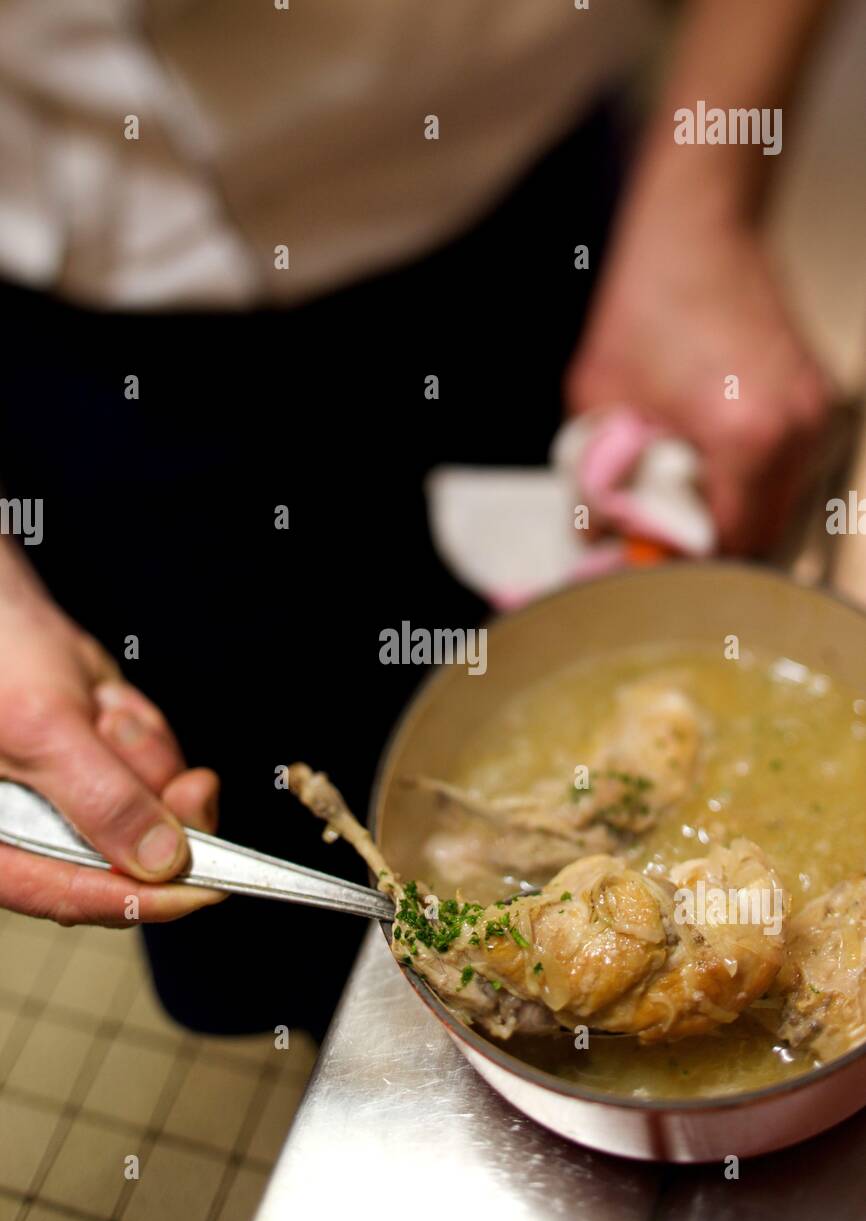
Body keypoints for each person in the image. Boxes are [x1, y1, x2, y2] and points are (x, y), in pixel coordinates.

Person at [0, 0, 834, 1039]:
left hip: (530, 181)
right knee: (252, 856)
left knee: (598, 634)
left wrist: (700, 203)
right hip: (116, 314)